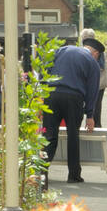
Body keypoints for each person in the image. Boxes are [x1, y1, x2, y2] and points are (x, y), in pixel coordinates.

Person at [42, 37, 103, 183]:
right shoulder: (92, 62)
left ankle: (41, 172)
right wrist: (90, 115)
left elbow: (46, 70)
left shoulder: (62, 50)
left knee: (49, 136)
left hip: (52, 95)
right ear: (95, 53)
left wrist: (43, 98)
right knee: (73, 136)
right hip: (73, 99)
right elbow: (92, 91)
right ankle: (74, 175)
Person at [80, 28, 107, 123]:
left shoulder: (97, 50)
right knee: (93, 107)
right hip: (94, 83)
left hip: (98, 84)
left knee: (95, 108)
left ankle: (96, 125)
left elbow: (100, 67)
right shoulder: (92, 49)